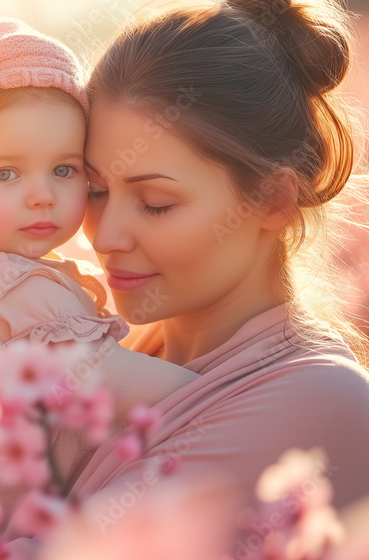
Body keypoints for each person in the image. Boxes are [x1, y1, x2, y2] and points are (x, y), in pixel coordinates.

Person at [18, 0, 369, 545]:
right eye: (95, 191)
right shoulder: (121, 352)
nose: (105, 236)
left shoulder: (325, 398)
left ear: (273, 200)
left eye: (155, 202)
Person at [0, 4, 198, 534]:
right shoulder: (20, 295)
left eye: (65, 169)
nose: (43, 196)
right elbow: (169, 399)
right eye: (5, 173)